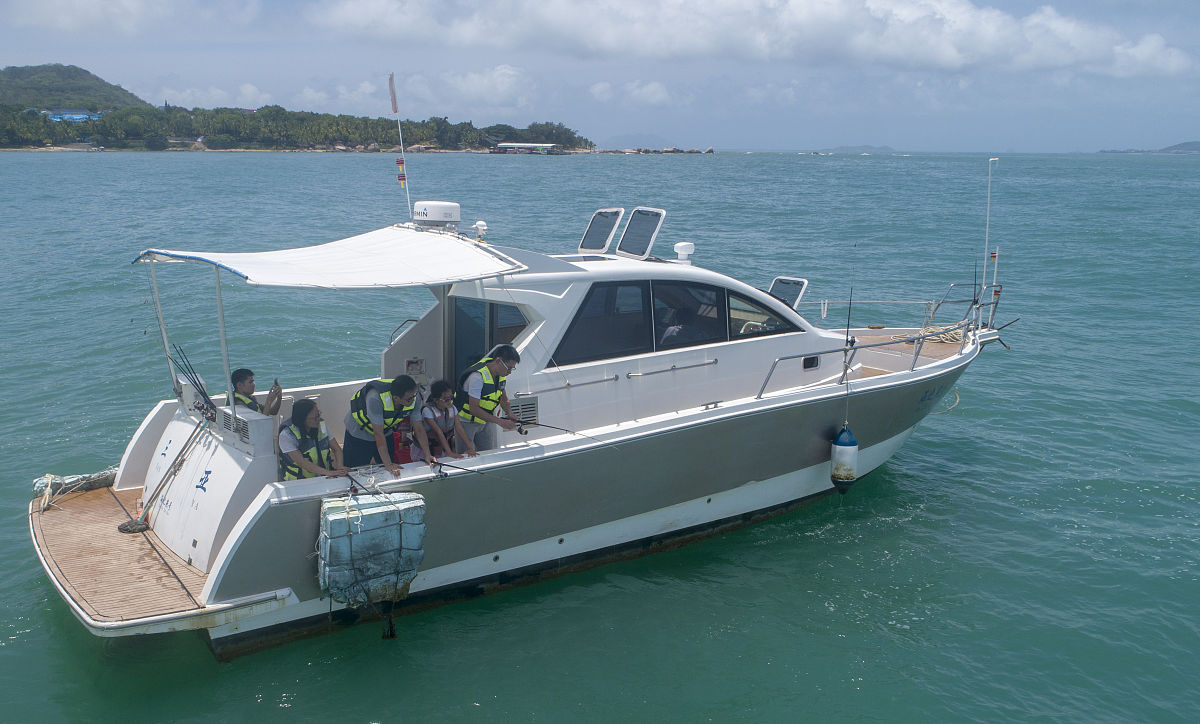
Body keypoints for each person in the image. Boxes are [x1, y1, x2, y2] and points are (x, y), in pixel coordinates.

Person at [343, 375, 436, 474]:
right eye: (409, 399)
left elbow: (419, 429)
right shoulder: (375, 399)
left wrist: (427, 454)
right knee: (353, 471)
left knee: (390, 467)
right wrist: (387, 464)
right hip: (359, 432)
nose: (413, 400)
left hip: (386, 431)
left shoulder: (413, 397)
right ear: (396, 398)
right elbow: (378, 434)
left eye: (414, 396)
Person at [456, 344, 520, 453]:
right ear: (499, 361)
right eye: (509, 368)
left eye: (512, 369)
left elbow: (503, 398)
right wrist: (500, 422)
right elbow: (474, 409)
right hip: (466, 422)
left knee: (489, 453)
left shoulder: (501, 375)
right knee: (467, 454)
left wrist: (509, 413)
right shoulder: (477, 377)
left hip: (486, 421)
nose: (509, 372)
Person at [278, 399, 349, 480]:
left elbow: (336, 449)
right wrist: (329, 473)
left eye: (318, 415)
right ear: (302, 419)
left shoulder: (321, 426)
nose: (318, 419)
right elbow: (301, 462)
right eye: (314, 418)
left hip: (324, 476)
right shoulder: (287, 435)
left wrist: (340, 467)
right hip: (298, 481)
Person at [413, 380, 478, 462]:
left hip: (442, 449)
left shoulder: (453, 408)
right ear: (436, 400)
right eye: (446, 399)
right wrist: (450, 453)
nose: (450, 401)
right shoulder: (427, 411)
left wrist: (470, 448)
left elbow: (459, 428)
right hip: (424, 451)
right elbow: (438, 432)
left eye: (451, 398)